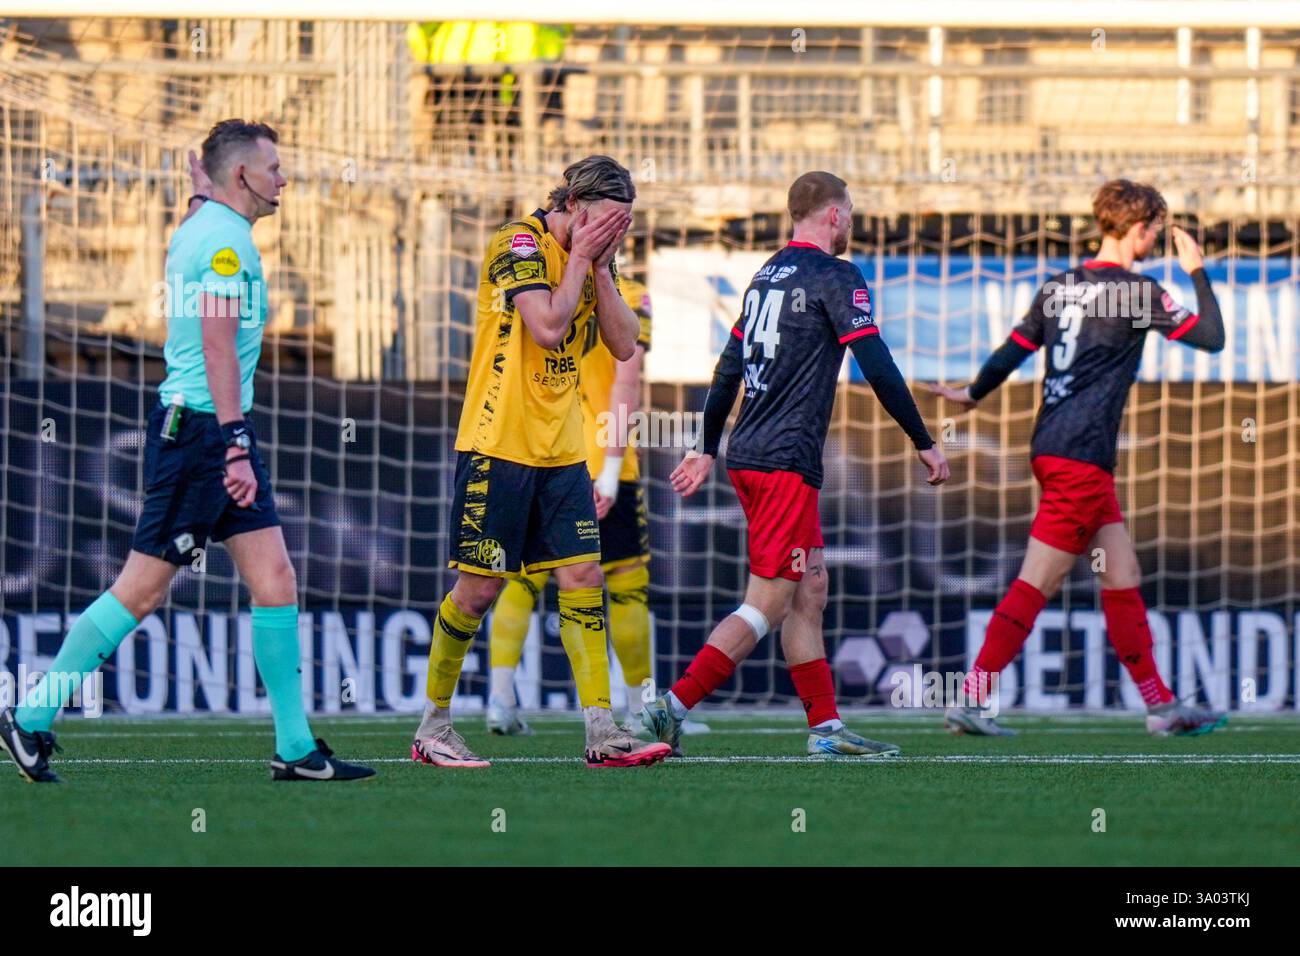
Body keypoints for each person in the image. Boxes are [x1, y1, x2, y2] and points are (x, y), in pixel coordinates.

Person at [0, 120, 374, 783]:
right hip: (202, 434)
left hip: (207, 429)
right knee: (140, 592)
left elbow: (204, 234)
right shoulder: (227, 243)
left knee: (275, 580)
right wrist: (234, 444)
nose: (283, 177)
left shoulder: (202, 226)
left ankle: (295, 749)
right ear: (242, 178)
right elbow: (216, 344)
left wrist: (198, 190)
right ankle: (30, 717)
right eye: (274, 166)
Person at [641, 171, 949, 757]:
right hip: (784, 461)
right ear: (833, 215)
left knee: (810, 589)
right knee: (769, 601)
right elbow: (876, 365)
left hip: (752, 454)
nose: (852, 221)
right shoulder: (837, 275)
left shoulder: (765, 277)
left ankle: (826, 730)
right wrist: (924, 440)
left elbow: (728, 368)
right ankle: (670, 708)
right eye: (850, 211)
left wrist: (708, 446)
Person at [930, 179, 1228, 737]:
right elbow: (1212, 337)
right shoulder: (1140, 292)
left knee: (1122, 574)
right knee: (1036, 582)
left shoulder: (1057, 287)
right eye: (1156, 231)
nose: (1158, 241)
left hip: (1054, 447)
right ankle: (969, 698)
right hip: (1083, 455)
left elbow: (1011, 352)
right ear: (1139, 228)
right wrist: (1196, 269)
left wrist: (972, 395)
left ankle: (1161, 706)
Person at [411, 156, 671, 768]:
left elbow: (625, 342)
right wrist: (583, 258)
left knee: (584, 577)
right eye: (608, 224)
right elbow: (550, 328)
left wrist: (602, 266)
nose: (616, 237)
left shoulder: (596, 261)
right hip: (498, 445)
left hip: (563, 452)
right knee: (478, 591)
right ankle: (434, 725)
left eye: (624, 229)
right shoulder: (517, 242)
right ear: (576, 208)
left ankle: (603, 732)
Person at [484, 274, 709, 738]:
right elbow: (626, 383)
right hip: (603, 460)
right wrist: (608, 469)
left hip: (539, 454)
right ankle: (638, 710)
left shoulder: (539, 289)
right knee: (626, 584)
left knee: (524, 581)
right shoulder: (628, 295)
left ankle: (500, 701)